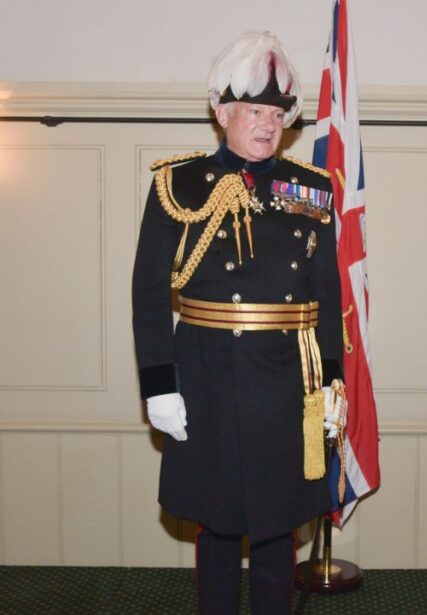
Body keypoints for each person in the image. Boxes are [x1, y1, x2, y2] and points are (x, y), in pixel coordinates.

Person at [132, 31, 345, 615]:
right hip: (208, 378)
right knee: (219, 524)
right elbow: (149, 293)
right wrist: (159, 386)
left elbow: (326, 292)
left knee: (280, 527)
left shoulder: (312, 188)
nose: (269, 123)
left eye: (278, 113)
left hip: (286, 383)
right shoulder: (177, 183)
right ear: (222, 111)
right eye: (255, 109)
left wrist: (333, 384)